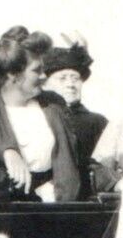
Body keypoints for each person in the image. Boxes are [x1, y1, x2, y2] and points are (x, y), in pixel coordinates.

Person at [0, 37, 80, 201]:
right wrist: (6, 152)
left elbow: (74, 156)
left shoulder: (53, 104)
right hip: (4, 207)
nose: (44, 76)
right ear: (13, 75)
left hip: (55, 202)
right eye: (37, 70)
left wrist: (114, 181)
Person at [43, 39, 107, 197]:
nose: (71, 84)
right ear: (45, 84)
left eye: (75, 78)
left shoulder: (97, 122)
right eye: (63, 78)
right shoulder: (36, 117)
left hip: (88, 199)